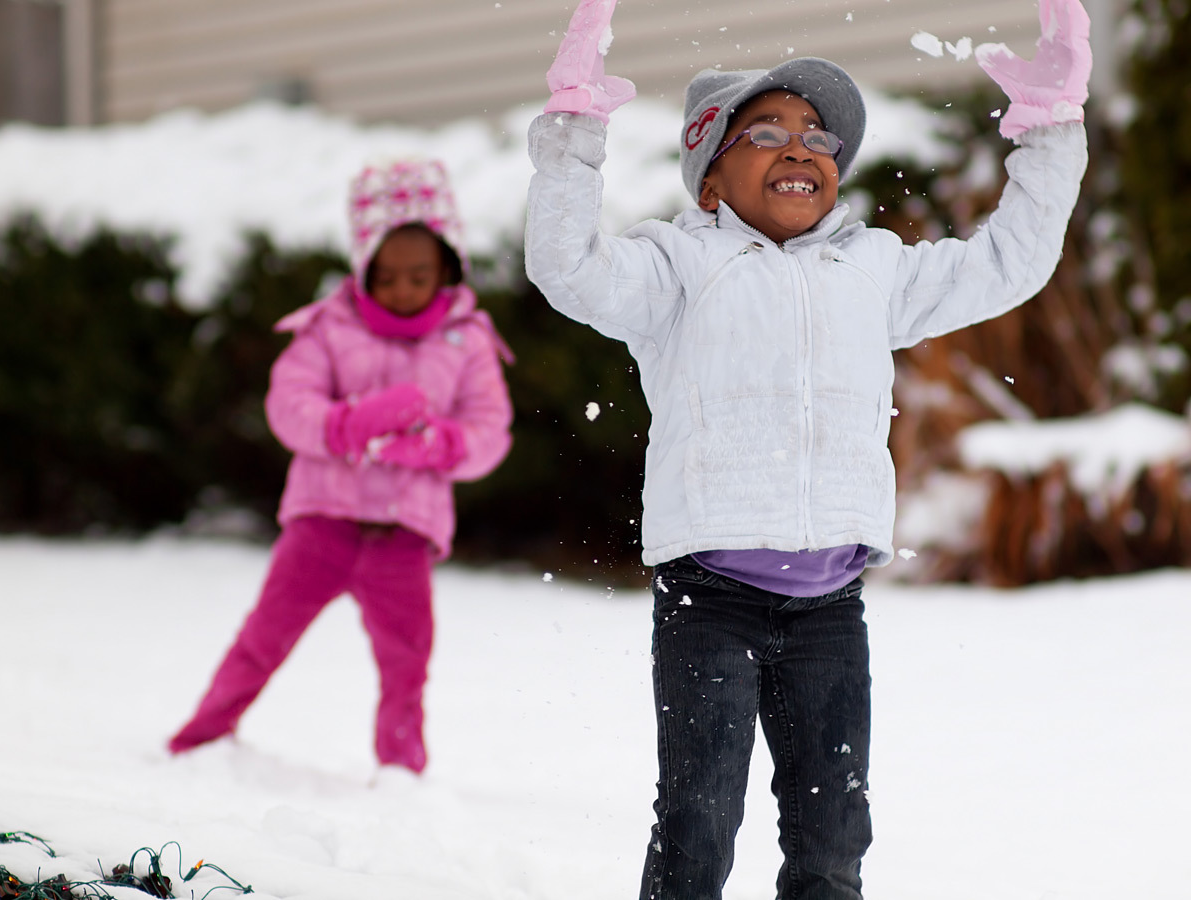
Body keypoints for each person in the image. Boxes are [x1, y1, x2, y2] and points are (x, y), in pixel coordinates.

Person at [525, 0, 1090, 896]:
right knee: (698, 824)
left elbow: (1007, 266)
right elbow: (566, 267)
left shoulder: (876, 269)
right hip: (710, 598)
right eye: (765, 133)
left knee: (832, 841)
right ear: (710, 179)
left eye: (818, 137)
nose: (800, 147)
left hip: (831, 606)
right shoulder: (676, 269)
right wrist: (573, 128)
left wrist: (1051, 131)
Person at [169, 159, 514, 773]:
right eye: (386, 276)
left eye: (419, 275)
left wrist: (439, 444)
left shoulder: (467, 340)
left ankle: (401, 773)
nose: (403, 290)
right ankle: (198, 742)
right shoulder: (327, 327)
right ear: (362, 267)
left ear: (448, 267)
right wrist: (343, 426)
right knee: (263, 638)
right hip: (321, 525)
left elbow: (490, 430)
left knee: (407, 661)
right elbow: (288, 405)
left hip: (403, 536)